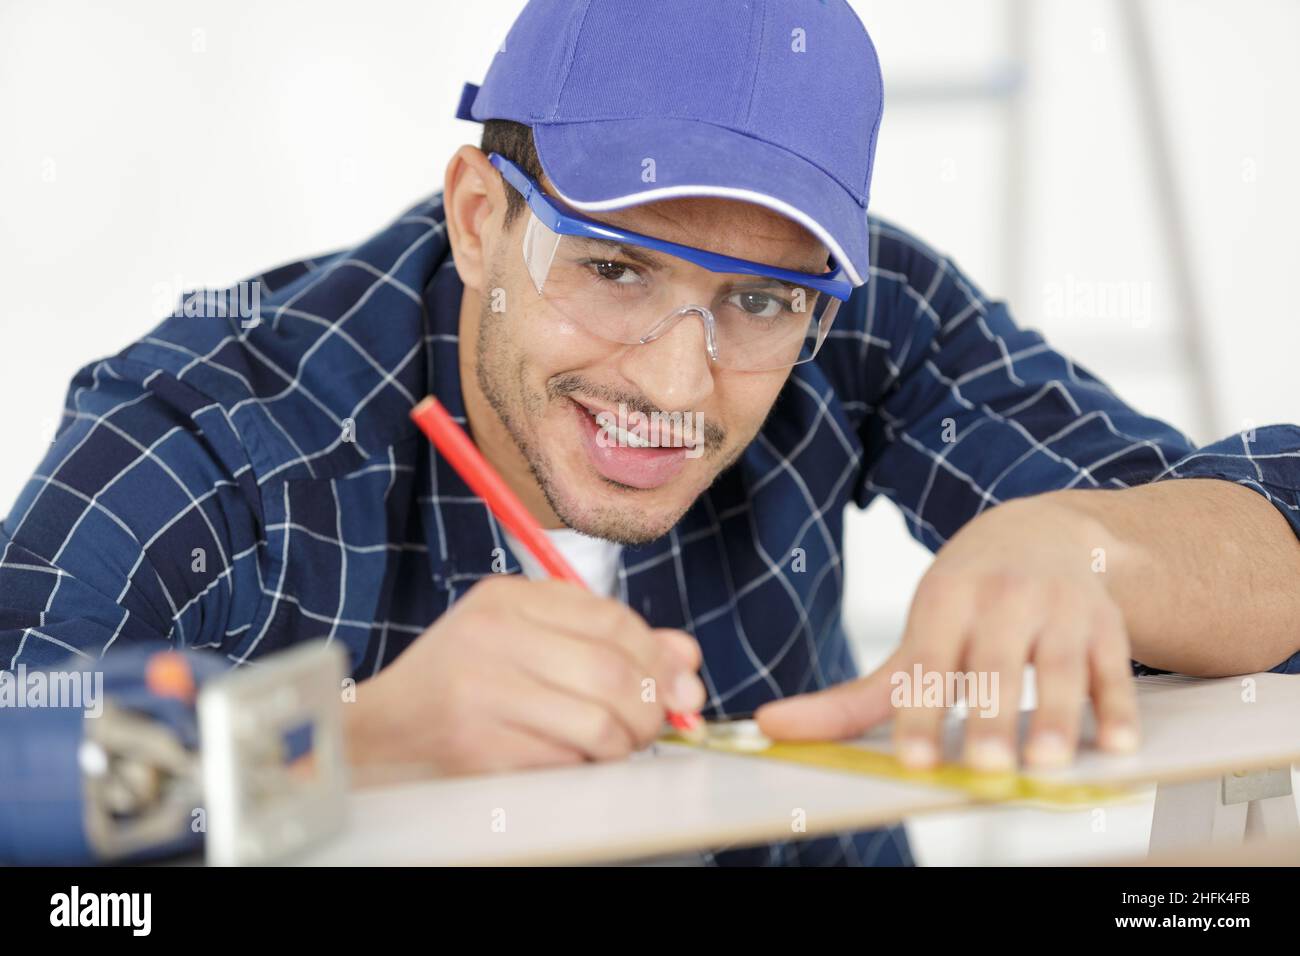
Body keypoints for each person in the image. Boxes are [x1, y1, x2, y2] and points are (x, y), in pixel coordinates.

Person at [2, 0, 1298, 866]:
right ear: (476, 217)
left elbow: (1272, 531)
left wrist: (1084, 550)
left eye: (756, 303)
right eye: (616, 270)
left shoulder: (851, 310)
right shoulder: (222, 431)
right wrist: (342, 742)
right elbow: (15, 760)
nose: (680, 380)